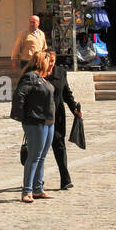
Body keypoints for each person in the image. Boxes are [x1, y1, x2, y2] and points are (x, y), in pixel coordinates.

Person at [12, 51, 56, 203]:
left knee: (42, 156)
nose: (51, 63)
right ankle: (27, 191)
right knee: (34, 157)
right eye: (48, 61)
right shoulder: (30, 77)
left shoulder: (43, 79)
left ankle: (38, 189)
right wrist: (25, 117)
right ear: (41, 61)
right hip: (35, 123)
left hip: (48, 122)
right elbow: (19, 96)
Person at [44, 49, 81, 189]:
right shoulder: (37, 73)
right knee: (39, 150)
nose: (50, 64)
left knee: (59, 145)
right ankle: (35, 180)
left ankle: (65, 179)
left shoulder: (61, 72)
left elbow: (67, 93)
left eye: (52, 61)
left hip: (57, 115)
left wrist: (74, 109)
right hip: (40, 117)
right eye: (48, 61)